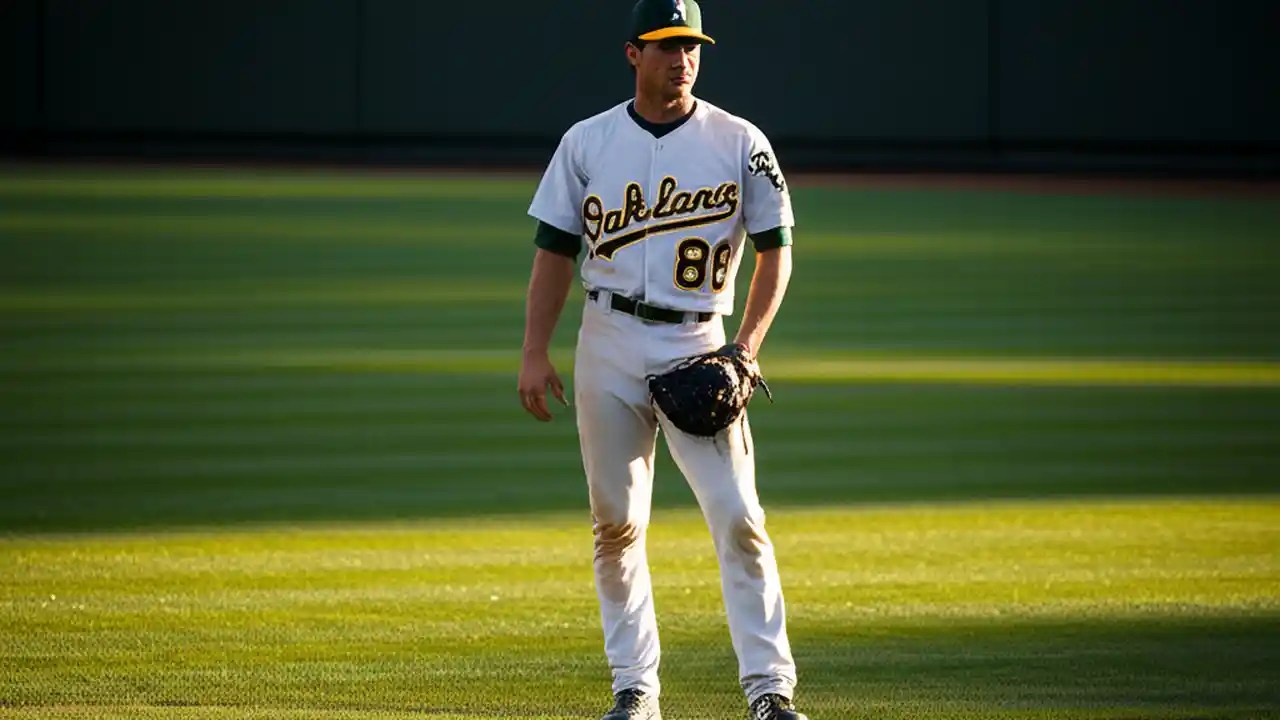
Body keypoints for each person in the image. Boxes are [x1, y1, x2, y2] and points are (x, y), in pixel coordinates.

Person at [517, 1, 805, 718]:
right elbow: (553, 253)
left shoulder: (739, 141)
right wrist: (533, 351)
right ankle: (635, 689)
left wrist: (746, 348)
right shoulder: (586, 143)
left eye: (692, 46)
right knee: (615, 525)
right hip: (606, 341)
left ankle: (770, 691)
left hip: (700, 344)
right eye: (667, 45)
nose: (682, 58)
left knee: (738, 516)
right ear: (632, 54)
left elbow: (778, 250)